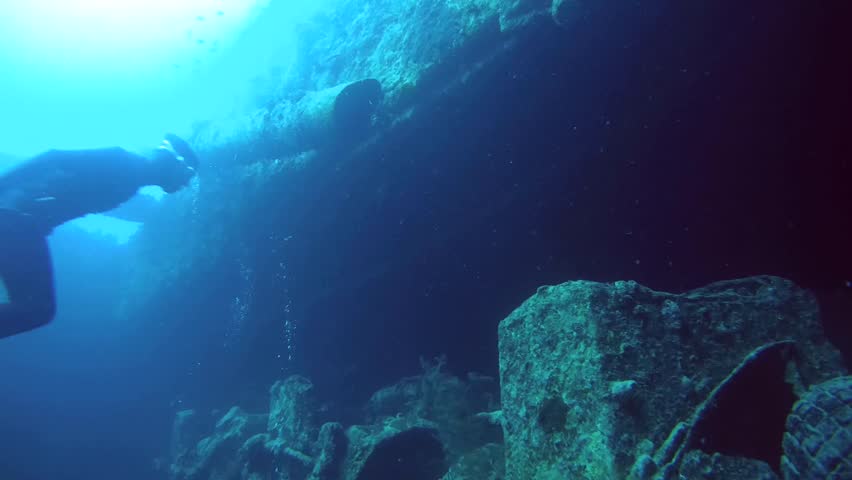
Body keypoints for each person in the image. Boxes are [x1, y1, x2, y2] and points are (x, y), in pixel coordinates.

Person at [0, 134, 199, 339]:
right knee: (37, 309)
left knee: (37, 309)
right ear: (172, 159)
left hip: (19, 222)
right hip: (17, 219)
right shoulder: (123, 162)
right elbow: (53, 158)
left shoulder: (130, 181)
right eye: (188, 173)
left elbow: (96, 199)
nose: (185, 184)